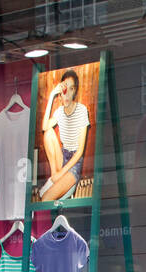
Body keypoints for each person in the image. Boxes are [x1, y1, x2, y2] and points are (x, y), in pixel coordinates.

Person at [38, 69, 89, 201]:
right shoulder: (59, 112)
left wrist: (62, 173)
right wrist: (52, 95)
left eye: (71, 89)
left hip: (74, 163)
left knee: (46, 198)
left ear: (75, 91)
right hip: (63, 157)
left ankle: (56, 178)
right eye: (64, 89)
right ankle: (54, 175)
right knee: (48, 132)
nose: (67, 94)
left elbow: (80, 152)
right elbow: (44, 127)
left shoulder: (82, 110)